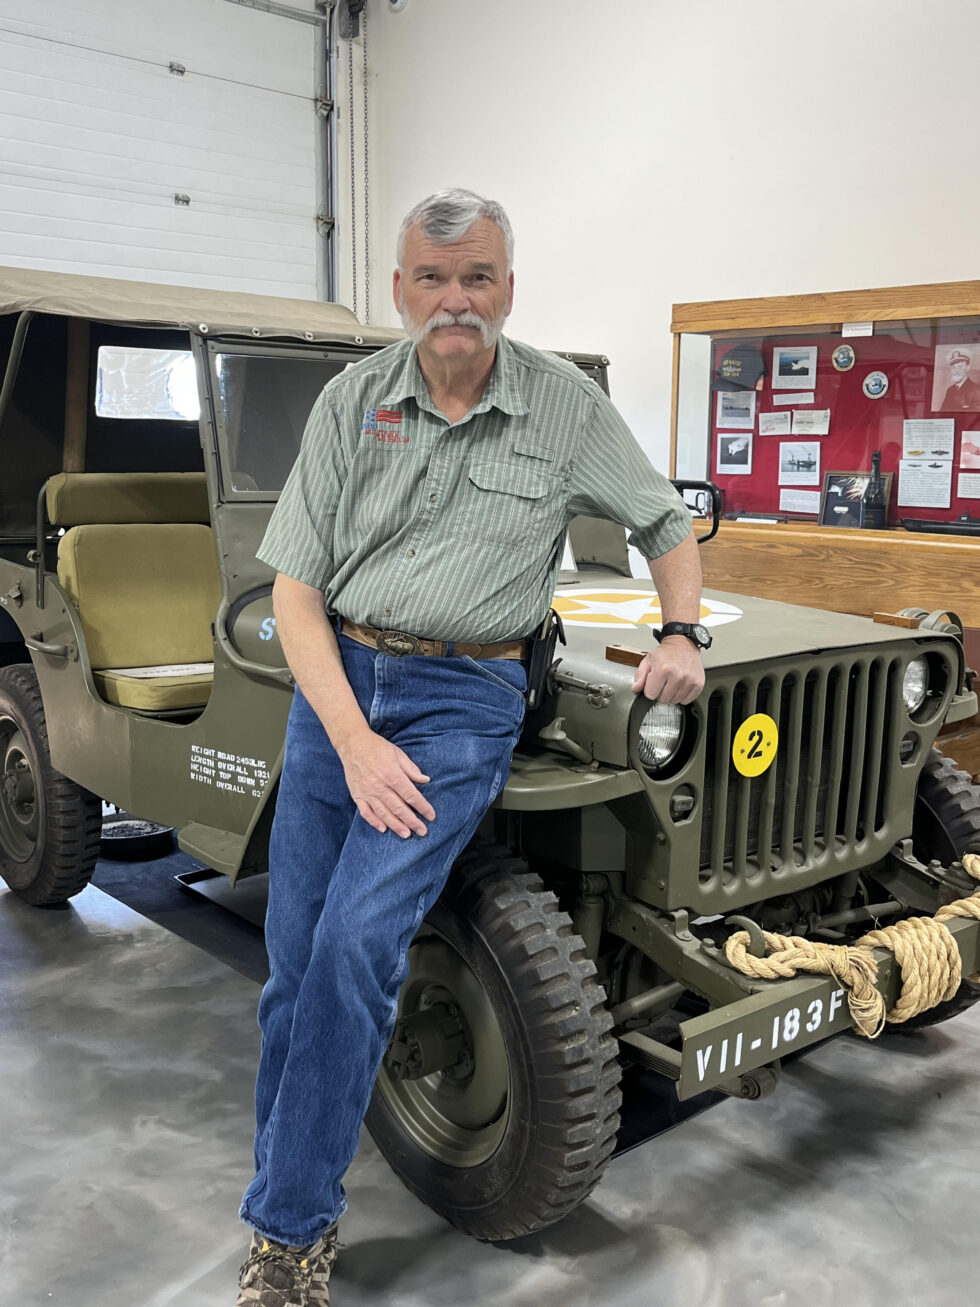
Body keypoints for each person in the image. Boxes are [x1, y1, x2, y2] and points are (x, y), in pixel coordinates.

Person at [235, 188, 704, 1306]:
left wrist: (678, 629)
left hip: (465, 693)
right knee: (294, 970)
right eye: (433, 279)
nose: (456, 301)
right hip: (336, 684)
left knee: (354, 944)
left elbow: (665, 523)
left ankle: (288, 1230)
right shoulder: (352, 401)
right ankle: (285, 1179)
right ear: (400, 289)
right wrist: (349, 738)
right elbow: (293, 594)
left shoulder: (559, 405)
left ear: (507, 286)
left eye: (477, 278)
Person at [939, 347, 980, 412]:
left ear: (967, 368)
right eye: (953, 367)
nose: (956, 371)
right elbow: (942, 414)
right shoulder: (950, 390)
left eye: (960, 367)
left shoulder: (976, 390)